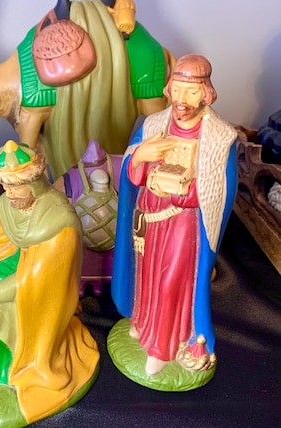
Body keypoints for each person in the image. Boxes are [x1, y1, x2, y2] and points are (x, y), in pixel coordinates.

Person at [0, 140, 100, 424]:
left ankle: (21, 367)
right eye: (5, 185)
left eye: (16, 186)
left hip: (39, 294)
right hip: (9, 275)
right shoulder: (6, 205)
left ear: (35, 182)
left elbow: (33, 279)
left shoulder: (58, 221)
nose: (9, 193)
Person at [111, 54, 238, 377]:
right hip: (151, 216)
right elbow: (131, 173)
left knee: (171, 281)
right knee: (148, 274)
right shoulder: (154, 124)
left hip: (184, 221)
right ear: (168, 89)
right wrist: (141, 155)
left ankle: (163, 348)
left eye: (191, 92)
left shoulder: (221, 137)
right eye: (177, 90)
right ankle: (144, 324)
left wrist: (186, 192)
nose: (182, 100)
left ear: (206, 93)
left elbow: (221, 190)